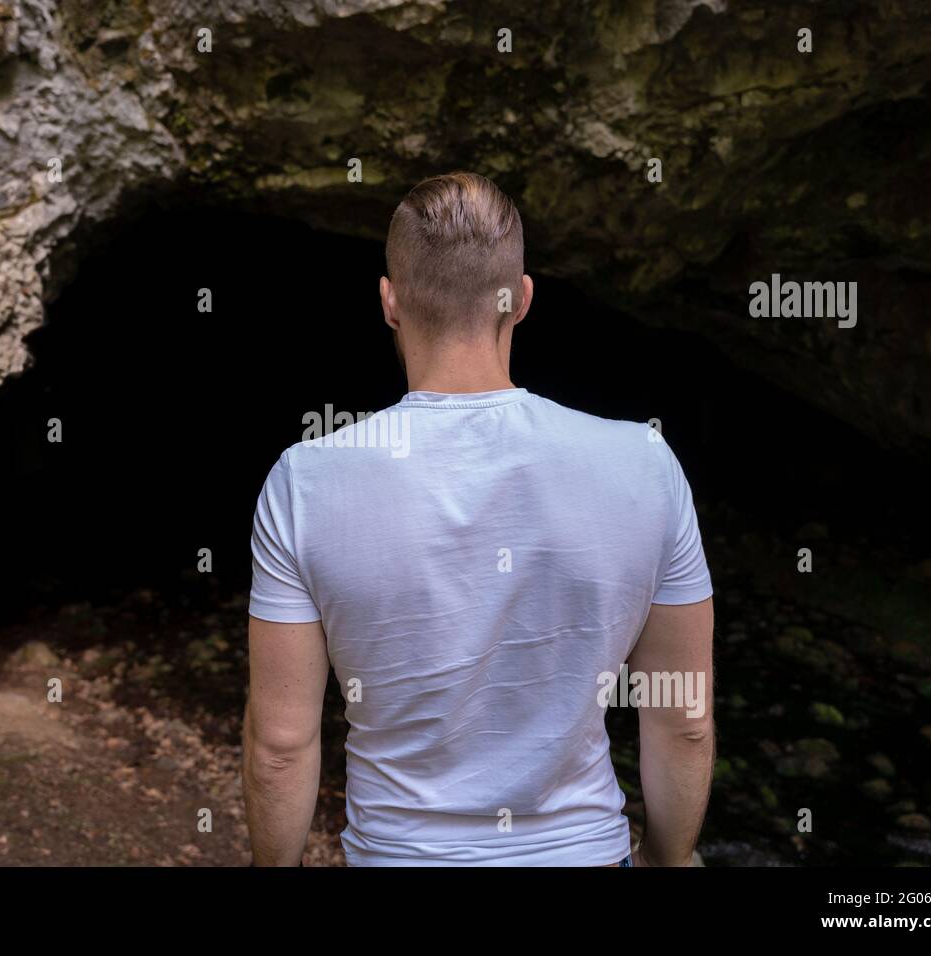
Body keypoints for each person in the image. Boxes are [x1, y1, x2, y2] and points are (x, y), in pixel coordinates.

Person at [242, 171, 715, 866]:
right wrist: (669, 860)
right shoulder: (645, 464)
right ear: (521, 300)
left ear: (390, 302)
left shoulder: (305, 482)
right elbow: (683, 721)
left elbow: (280, 746)